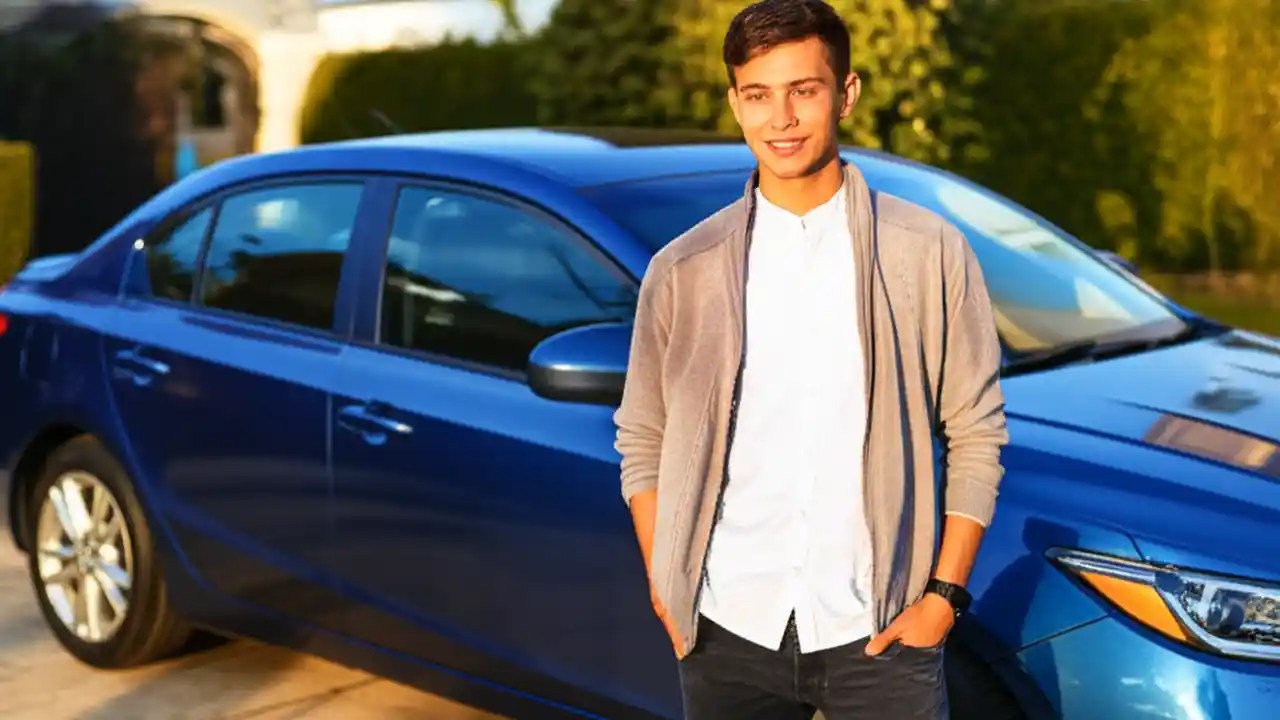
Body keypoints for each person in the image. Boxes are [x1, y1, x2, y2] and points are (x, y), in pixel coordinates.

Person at [612, 1, 1011, 718]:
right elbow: (643, 435)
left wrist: (943, 598)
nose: (781, 118)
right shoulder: (684, 270)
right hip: (727, 628)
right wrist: (664, 582)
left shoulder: (926, 252)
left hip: (882, 633)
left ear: (846, 93)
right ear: (735, 103)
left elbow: (977, 432)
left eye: (804, 90)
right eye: (759, 95)